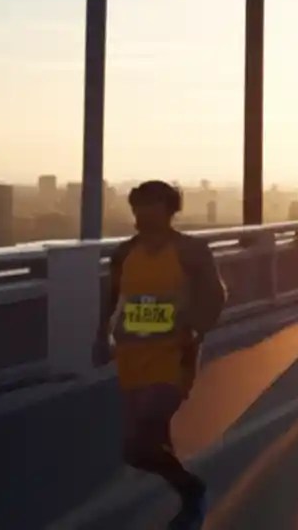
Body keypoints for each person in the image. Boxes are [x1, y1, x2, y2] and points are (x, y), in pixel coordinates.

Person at [93, 180, 227, 530]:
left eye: (150, 205)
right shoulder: (124, 253)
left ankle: (192, 490)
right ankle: (172, 467)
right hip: (132, 355)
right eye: (137, 205)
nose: (140, 212)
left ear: (169, 209)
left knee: (137, 446)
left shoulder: (191, 250)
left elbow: (216, 296)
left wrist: (195, 330)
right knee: (145, 444)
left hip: (173, 355)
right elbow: (110, 296)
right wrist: (100, 335)